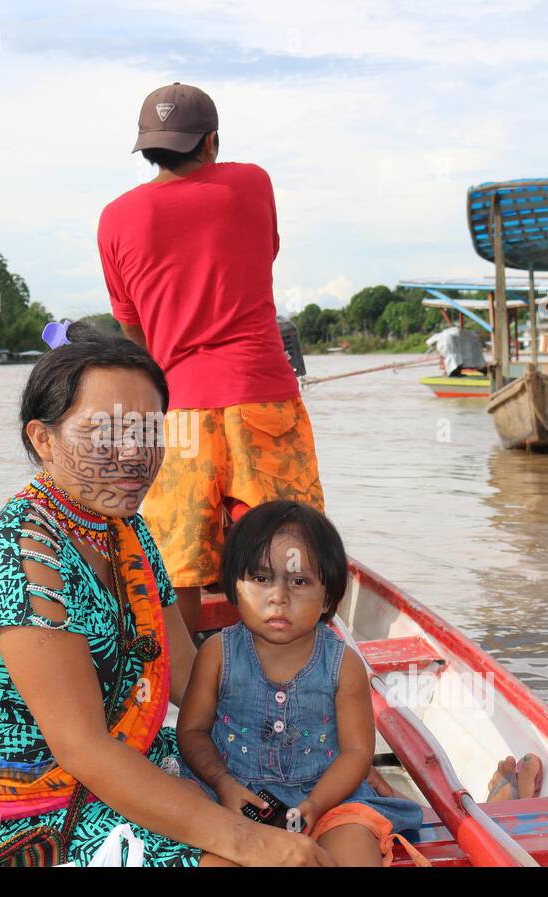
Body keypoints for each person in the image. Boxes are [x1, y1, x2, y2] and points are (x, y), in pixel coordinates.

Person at [0, 322, 334, 867]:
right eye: (106, 433)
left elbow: (188, 677)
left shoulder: (123, 531)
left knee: (309, 799)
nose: (136, 455)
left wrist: (304, 723)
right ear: (42, 439)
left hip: (122, 763)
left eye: (149, 430)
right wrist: (251, 842)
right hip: (29, 814)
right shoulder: (18, 557)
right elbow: (84, 748)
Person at [97, 82, 325, 636]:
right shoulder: (252, 184)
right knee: (288, 545)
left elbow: (134, 333)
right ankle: (291, 669)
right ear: (211, 142)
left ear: (147, 148)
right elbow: (263, 252)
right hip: (263, 392)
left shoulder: (115, 218)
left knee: (178, 564)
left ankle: (183, 692)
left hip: (180, 411)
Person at [177, 500, 427, 866]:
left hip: (328, 800)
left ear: (328, 596)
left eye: (299, 581)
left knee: (356, 849)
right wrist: (224, 785)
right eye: (261, 579)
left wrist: (315, 804)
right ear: (234, 585)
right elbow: (193, 732)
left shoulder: (343, 664)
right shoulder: (217, 654)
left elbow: (356, 752)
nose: (279, 596)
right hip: (231, 797)